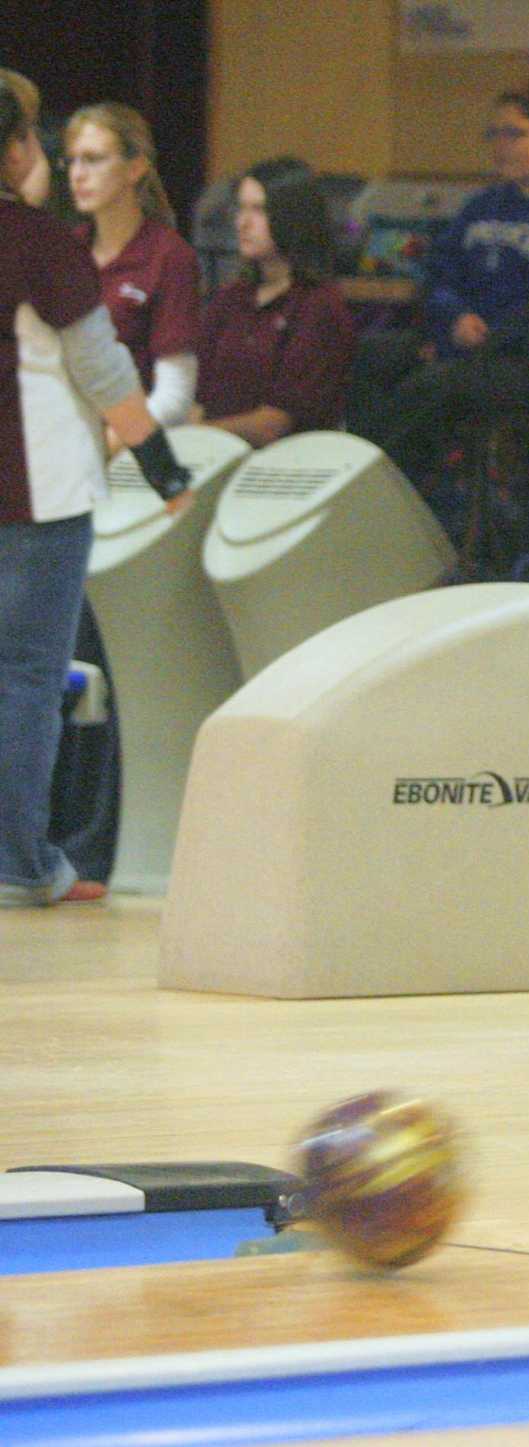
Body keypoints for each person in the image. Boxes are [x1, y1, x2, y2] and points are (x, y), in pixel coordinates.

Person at [1, 69, 192, 908]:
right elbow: (104, 368)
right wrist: (162, 468)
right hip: (33, 493)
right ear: (17, 150)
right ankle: (21, 864)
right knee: (26, 678)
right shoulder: (39, 242)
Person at [360, 76, 529, 484]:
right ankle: (361, 477)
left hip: (526, 357)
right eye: (494, 134)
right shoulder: (482, 206)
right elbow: (439, 273)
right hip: (465, 339)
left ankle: (388, 491)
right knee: (373, 356)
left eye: (514, 134)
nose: (501, 145)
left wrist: (489, 338)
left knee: (432, 388)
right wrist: (453, 318)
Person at [192, 157, 355, 447]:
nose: (242, 222)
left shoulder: (318, 306)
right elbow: (196, 392)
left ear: (293, 216)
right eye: (241, 208)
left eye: (259, 210)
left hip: (287, 465)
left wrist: (195, 432)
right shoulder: (231, 299)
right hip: (214, 452)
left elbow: (274, 425)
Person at [65, 103, 201, 445]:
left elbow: (175, 396)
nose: (78, 174)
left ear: (135, 167)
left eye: (94, 159)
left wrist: (111, 441)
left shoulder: (169, 256)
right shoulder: (64, 251)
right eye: (72, 161)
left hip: (131, 447)